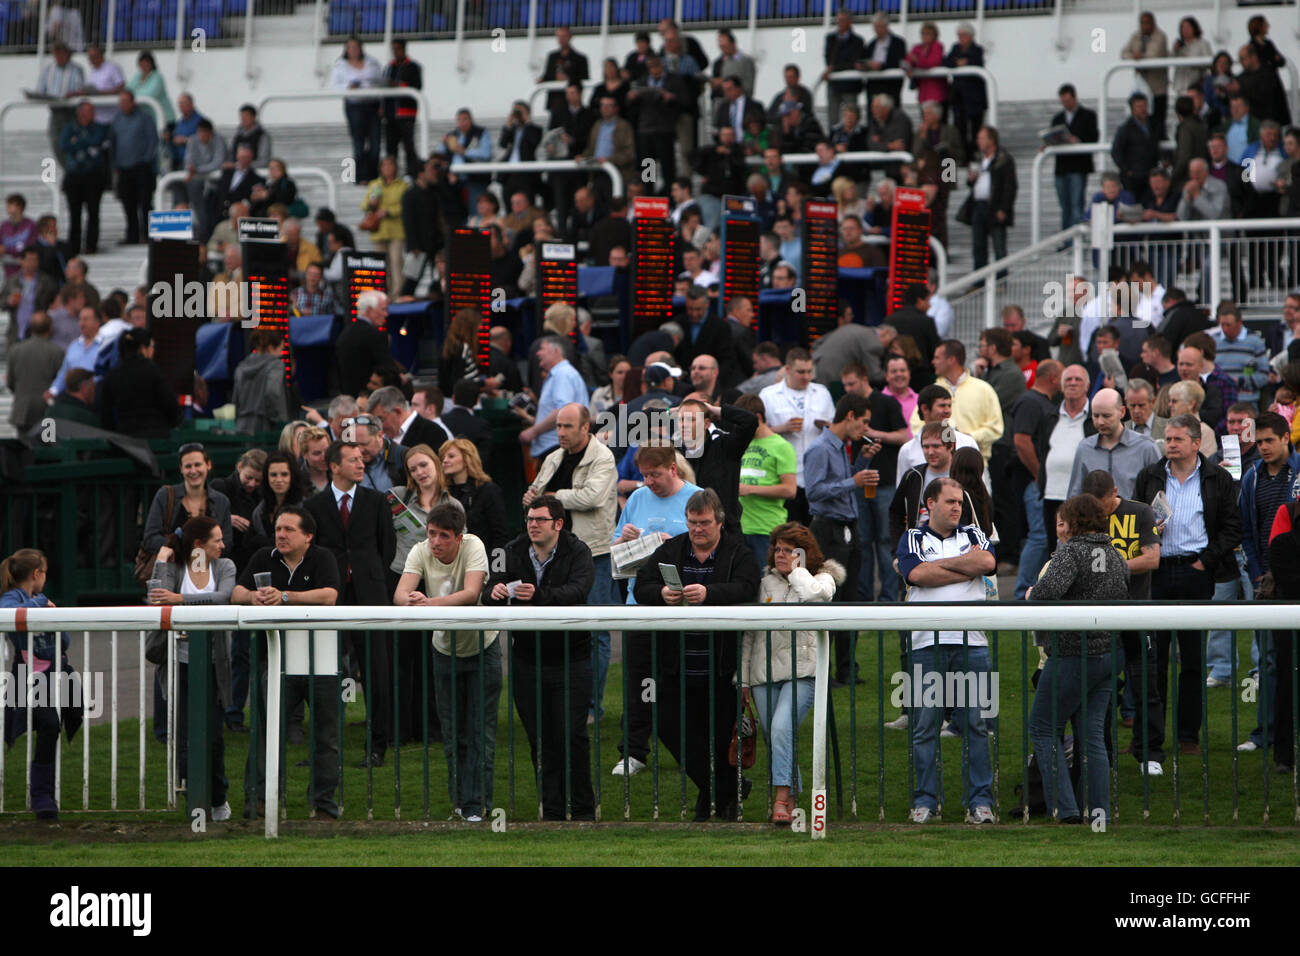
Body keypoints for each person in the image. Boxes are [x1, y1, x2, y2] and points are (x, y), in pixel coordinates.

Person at [635, 488, 761, 820]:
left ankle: (715, 805)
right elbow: (640, 586)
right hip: (676, 664)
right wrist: (663, 593)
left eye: (703, 523)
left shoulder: (738, 552)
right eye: (692, 522)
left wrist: (710, 593)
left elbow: (748, 588)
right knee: (670, 727)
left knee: (720, 739)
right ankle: (725, 791)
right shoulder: (671, 549)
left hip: (722, 666)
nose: (697, 529)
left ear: (719, 522)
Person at [1134, 413, 1242, 762]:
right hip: (1158, 572)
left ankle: (1187, 735)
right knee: (1156, 659)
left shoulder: (1217, 478)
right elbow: (1135, 518)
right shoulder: (1150, 475)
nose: (1170, 445)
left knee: (1193, 659)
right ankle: (1152, 737)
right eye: (1168, 439)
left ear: (1196, 443)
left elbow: (1231, 527)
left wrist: (1204, 562)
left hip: (1196, 572)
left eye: (1178, 439)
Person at [484, 494, 596, 820]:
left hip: (571, 659)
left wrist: (539, 596)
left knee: (572, 736)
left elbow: (579, 591)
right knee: (540, 739)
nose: (533, 525)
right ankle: (552, 811)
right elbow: (492, 587)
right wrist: (495, 592)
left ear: (558, 524)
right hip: (527, 660)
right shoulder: (511, 550)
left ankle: (584, 811)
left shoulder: (578, 551)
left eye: (540, 520)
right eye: (530, 520)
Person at [895, 478, 996, 824]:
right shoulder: (912, 537)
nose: (957, 507)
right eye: (950, 501)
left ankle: (980, 803)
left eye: (959, 502)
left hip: (973, 644)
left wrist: (935, 570)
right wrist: (960, 566)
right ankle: (925, 802)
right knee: (924, 726)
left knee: (977, 725)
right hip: (926, 644)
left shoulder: (974, 534)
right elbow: (915, 574)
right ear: (930, 504)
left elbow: (985, 564)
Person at [232, 506, 341, 819]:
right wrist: (253, 597)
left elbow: (330, 595)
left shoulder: (323, 557)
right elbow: (237, 591)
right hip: (276, 657)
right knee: (266, 732)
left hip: (320, 657)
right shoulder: (263, 557)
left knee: (326, 736)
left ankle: (323, 806)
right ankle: (260, 803)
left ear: (308, 536)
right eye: (278, 528)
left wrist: (286, 597)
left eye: (289, 529)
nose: (280, 534)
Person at [1028, 494, 1130, 823]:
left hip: (1072, 654)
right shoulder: (1116, 555)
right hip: (1108, 655)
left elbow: (1045, 593)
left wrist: (1031, 592)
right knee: (1092, 736)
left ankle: (1066, 809)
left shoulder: (1072, 550)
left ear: (1074, 522)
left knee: (1043, 727)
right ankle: (1099, 813)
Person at [394, 503, 493, 821]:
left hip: (483, 647)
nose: (435, 541)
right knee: (452, 734)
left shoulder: (474, 544)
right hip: (444, 650)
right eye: (432, 534)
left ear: (459, 538)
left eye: (443, 536)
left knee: (480, 732)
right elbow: (400, 595)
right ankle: (461, 803)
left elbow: (471, 592)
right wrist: (414, 600)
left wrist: (428, 603)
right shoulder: (420, 550)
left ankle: (477, 805)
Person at [609, 444, 701, 776]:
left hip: (684, 605)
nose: (648, 482)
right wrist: (626, 540)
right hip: (640, 603)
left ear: (673, 469)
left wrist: (673, 542)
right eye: (644, 476)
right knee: (638, 681)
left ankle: (688, 748)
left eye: (655, 475)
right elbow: (616, 554)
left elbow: (708, 549)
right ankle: (633, 751)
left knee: (680, 681)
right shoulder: (635, 500)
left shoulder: (697, 497)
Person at [741, 522, 842, 825]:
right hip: (763, 673)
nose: (780, 554)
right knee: (776, 736)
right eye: (777, 549)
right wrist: (743, 679)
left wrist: (797, 570)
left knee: (783, 729)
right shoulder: (764, 583)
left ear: (804, 553)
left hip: (804, 671)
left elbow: (816, 596)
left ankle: (781, 800)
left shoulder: (823, 577)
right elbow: (749, 633)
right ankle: (793, 797)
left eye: (788, 550)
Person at [306, 441, 397, 769]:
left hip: (371, 596)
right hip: (331, 596)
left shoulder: (376, 502)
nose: (361, 464)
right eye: (353, 460)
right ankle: (323, 747)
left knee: (376, 671)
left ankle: (377, 747)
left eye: (362, 459)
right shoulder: (314, 505)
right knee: (327, 671)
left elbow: (387, 548)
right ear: (334, 466)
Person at [524, 403, 618, 719]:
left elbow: (591, 498)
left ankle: (592, 706)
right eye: (558, 426)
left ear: (585, 428)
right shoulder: (554, 456)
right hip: (554, 554)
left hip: (594, 553)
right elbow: (536, 493)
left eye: (567, 426)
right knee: (556, 627)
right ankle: (560, 701)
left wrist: (552, 497)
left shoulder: (602, 457)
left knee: (595, 630)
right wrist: (534, 498)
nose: (561, 432)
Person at [149, 516, 235, 823]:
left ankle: (217, 797)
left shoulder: (224, 567)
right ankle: (193, 799)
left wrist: (181, 599)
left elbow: (224, 597)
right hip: (179, 664)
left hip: (213, 665)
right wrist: (160, 559)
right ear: (199, 545)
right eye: (217, 540)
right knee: (184, 736)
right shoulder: (173, 567)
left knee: (213, 735)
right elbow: (157, 598)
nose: (223, 545)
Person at [1, 548, 83, 821]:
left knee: (50, 726)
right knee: (45, 724)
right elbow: (8, 612)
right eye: (45, 573)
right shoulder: (18, 598)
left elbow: (65, 641)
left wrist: (52, 619)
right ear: (37, 574)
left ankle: (43, 797)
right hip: (26, 677)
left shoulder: (40, 601)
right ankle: (42, 797)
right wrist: (43, 607)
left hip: (53, 673)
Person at [804, 393, 878, 686]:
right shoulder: (820, 448)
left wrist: (862, 462)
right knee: (830, 600)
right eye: (864, 422)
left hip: (847, 527)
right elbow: (814, 492)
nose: (866, 428)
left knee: (850, 600)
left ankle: (847, 670)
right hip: (827, 530)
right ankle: (824, 671)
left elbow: (841, 483)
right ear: (849, 416)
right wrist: (854, 481)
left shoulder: (839, 447)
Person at [1235, 412, 1299, 752]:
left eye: (1269, 440)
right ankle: (1266, 732)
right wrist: (1258, 572)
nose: (1262, 447)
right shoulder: (1251, 477)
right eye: (1258, 442)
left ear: (1286, 438)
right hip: (1264, 579)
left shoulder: (1299, 473)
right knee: (1267, 659)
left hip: (1296, 578)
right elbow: (1245, 529)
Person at [759, 347, 835, 525]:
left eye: (810, 372)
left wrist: (826, 427)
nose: (806, 377)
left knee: (815, 532)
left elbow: (835, 430)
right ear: (787, 369)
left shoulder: (822, 393)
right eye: (801, 372)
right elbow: (758, 432)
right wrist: (781, 428)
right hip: (783, 475)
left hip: (817, 475)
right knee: (789, 531)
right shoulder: (768, 395)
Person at [1067, 388, 1162, 499]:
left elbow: (1159, 495)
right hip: (1096, 515)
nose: (1100, 422)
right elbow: (1075, 495)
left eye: (1107, 416)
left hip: (1134, 515)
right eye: (1096, 416)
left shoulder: (1146, 447)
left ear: (1122, 412)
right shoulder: (1085, 448)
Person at [98, 327, 179, 438]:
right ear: (142, 348)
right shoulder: (153, 370)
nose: (153, 351)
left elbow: (105, 413)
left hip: (125, 440)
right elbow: (170, 404)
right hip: (156, 439)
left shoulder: (112, 374)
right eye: (152, 346)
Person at [519, 335, 589, 462]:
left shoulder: (563, 374)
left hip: (558, 448)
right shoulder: (560, 374)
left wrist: (534, 431)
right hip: (556, 448)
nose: (538, 353)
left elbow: (563, 411)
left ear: (556, 351)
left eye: (542, 349)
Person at [107, 90, 157, 245]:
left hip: (142, 167)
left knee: (145, 202)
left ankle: (148, 234)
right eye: (121, 102)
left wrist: (146, 160)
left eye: (126, 101)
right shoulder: (117, 120)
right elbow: (113, 142)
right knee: (128, 203)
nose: (123, 105)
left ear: (133, 102)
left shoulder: (145, 118)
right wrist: (115, 163)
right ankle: (132, 235)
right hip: (124, 168)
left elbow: (152, 140)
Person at [441, 438, 508, 553]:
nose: (445, 461)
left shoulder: (488, 490)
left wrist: (498, 568)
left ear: (467, 459)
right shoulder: (444, 493)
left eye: (451, 456)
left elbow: (501, 536)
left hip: (484, 561)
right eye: (443, 458)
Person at [965, 126, 1017, 275]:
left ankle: (1001, 279)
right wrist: (971, 179)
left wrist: (1004, 209)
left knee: (999, 246)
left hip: (995, 206)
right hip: (978, 206)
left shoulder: (1004, 159)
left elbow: (1010, 187)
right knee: (978, 246)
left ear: (991, 140)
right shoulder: (978, 158)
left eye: (981, 138)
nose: (978, 142)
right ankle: (979, 280)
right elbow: (970, 183)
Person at [60, 100, 108, 256]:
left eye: (92, 111)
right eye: (87, 111)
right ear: (80, 113)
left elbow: (97, 141)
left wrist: (78, 141)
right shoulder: (69, 128)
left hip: (93, 176)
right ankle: (74, 247)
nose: (90, 115)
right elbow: (65, 145)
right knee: (74, 213)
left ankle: (91, 245)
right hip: (74, 176)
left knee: (93, 212)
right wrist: (86, 145)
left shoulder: (99, 128)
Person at [332, 37, 383, 183]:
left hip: (373, 105)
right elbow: (335, 86)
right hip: (354, 106)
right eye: (350, 47)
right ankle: (359, 176)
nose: (354, 50)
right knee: (358, 142)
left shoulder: (372, 63)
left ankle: (373, 175)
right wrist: (349, 88)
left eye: (356, 47)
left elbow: (379, 82)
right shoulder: (340, 65)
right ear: (346, 49)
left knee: (375, 142)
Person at [1049, 84, 1100, 230]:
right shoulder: (1058, 118)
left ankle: (1075, 242)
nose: (1066, 104)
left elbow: (1094, 137)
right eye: (1063, 101)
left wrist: (1078, 141)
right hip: (1062, 167)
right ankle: (1066, 241)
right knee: (1065, 206)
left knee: (1076, 204)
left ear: (1075, 98)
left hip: (1078, 166)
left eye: (1068, 100)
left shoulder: (1088, 116)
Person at [5, 311, 63, 434]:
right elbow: (59, 383)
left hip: (22, 411)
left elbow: (10, 382)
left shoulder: (15, 350)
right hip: (46, 411)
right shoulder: (56, 352)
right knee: (47, 449)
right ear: (50, 328)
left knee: (23, 449)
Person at [361, 156, 408, 296]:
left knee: (396, 263)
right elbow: (364, 205)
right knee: (382, 265)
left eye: (390, 165)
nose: (387, 168)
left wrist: (388, 212)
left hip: (396, 231)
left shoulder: (402, 185)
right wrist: (372, 204)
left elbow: (405, 206)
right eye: (384, 165)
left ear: (395, 167)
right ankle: (384, 294)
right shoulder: (374, 185)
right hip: (379, 231)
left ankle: (397, 294)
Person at [335, 289, 395, 398]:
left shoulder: (344, 334)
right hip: (373, 399)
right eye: (383, 309)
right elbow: (389, 372)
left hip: (350, 399)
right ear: (369, 310)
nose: (386, 314)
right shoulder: (376, 335)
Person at [231, 328, 288, 436]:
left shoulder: (241, 366)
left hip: (241, 426)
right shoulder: (276, 365)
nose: (281, 353)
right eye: (281, 349)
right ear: (271, 348)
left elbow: (235, 399)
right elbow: (273, 392)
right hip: (265, 429)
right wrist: (280, 420)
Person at [1122, 12, 1170, 138]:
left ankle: (1161, 151)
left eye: (1147, 22)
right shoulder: (1136, 36)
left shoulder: (1160, 37)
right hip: (1141, 88)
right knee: (1140, 119)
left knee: (1158, 121)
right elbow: (1124, 53)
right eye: (1142, 23)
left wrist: (1139, 57)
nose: (1144, 26)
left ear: (1153, 23)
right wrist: (1134, 57)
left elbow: (1155, 55)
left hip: (1157, 89)